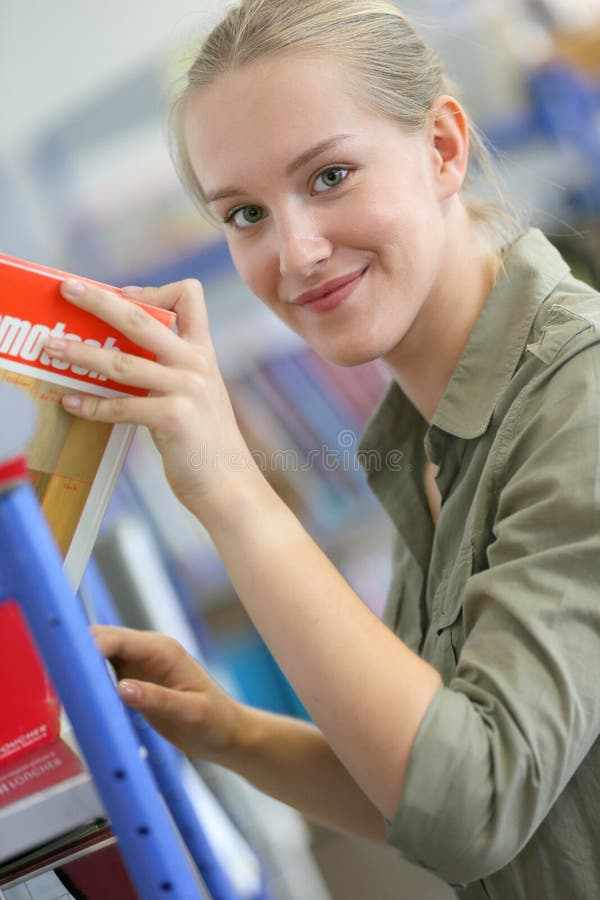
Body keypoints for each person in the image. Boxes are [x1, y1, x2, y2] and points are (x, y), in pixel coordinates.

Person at [43, 1, 600, 897]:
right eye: (246, 213)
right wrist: (226, 728)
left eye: (331, 175)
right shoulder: (422, 431)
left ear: (444, 149)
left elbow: (473, 804)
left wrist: (230, 486)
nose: (295, 252)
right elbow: (419, 781)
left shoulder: (581, 396)